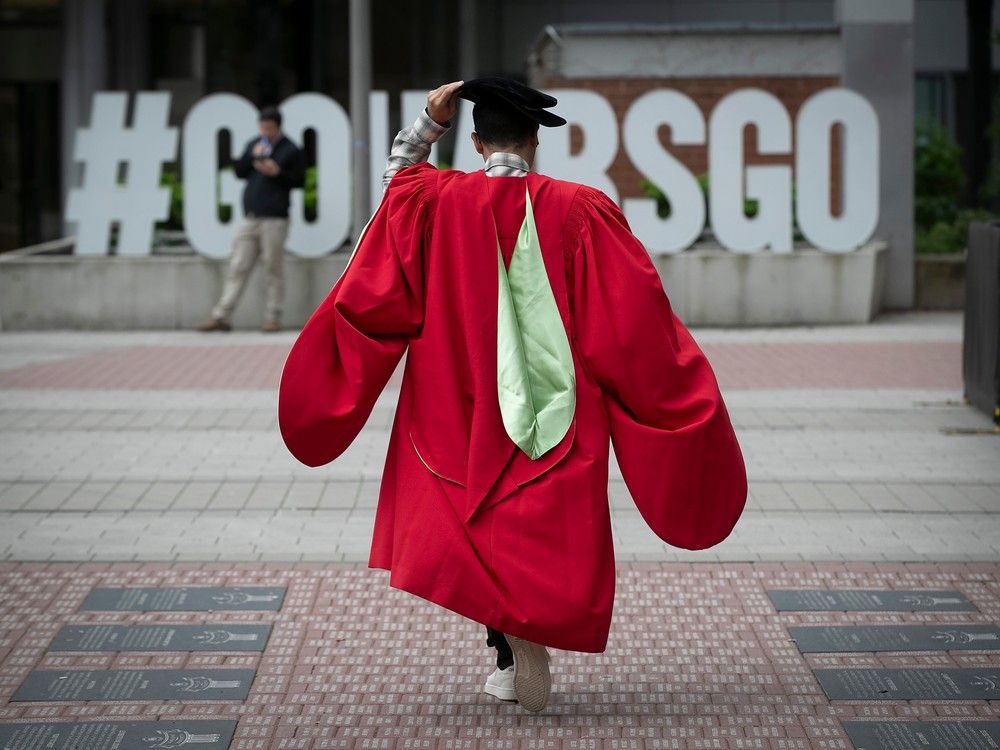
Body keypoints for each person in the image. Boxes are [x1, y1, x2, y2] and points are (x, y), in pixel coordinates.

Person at [277, 77, 748, 713]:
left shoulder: (433, 199)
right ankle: (521, 633)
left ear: (476, 143)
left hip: (452, 401)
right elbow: (632, 324)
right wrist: (668, 394)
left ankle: (505, 650)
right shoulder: (582, 208)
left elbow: (396, 194)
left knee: (471, 523)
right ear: (535, 142)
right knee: (533, 525)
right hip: (555, 404)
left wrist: (425, 126)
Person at [197, 105, 306, 333]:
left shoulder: (290, 149)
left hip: (275, 218)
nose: (265, 132)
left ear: (278, 127)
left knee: (272, 268)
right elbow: (239, 171)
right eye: (262, 127)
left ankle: (273, 317)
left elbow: (299, 180)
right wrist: (252, 155)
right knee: (238, 266)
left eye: (269, 128)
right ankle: (221, 315)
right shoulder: (255, 144)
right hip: (251, 217)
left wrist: (277, 172)